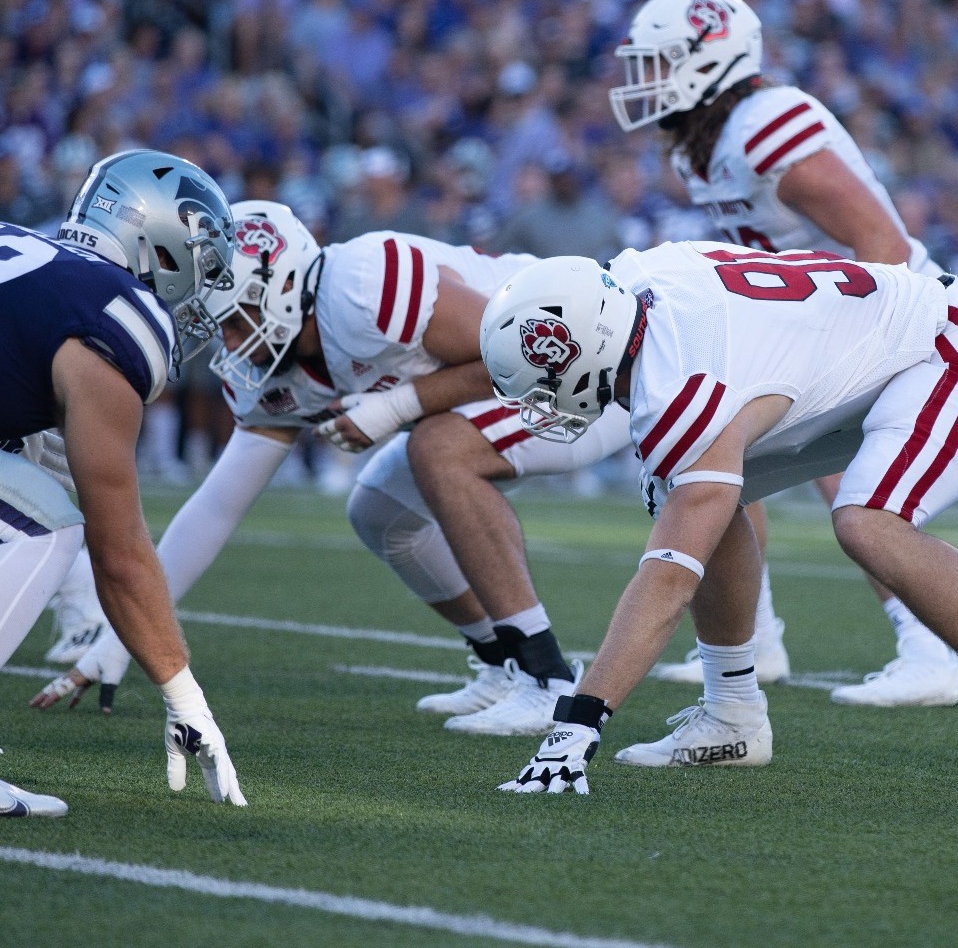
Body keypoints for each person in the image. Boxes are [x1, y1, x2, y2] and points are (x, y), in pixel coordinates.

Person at [481, 246, 958, 801]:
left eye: (547, 378)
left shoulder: (679, 383)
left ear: (588, 343)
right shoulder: (638, 277)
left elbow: (669, 580)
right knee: (699, 493)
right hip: (871, 355)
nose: (544, 397)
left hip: (950, 348)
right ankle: (733, 716)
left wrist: (575, 729)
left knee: (869, 524)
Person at [33, 201, 633, 740]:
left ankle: (548, 678)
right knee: (378, 511)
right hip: (520, 383)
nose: (229, 339)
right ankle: (500, 662)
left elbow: (523, 347)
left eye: (238, 317)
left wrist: (396, 406)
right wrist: (117, 645)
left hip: (578, 369)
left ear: (283, 286)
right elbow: (216, 507)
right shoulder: (276, 372)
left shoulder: (362, 286)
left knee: (437, 450)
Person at [609, 0, 958, 707]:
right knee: (721, 457)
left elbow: (883, 242)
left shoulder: (767, 124)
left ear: (709, 61)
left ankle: (929, 650)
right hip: (810, 326)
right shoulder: (704, 145)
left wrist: (859, 353)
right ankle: (758, 640)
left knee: (853, 489)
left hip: (885, 318)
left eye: (660, 63)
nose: (644, 81)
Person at [1, 149, 246, 816]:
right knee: (45, 515)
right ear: (155, 235)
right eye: (198, 260)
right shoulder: (110, 312)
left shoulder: (23, 247)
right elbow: (121, 555)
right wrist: (186, 698)